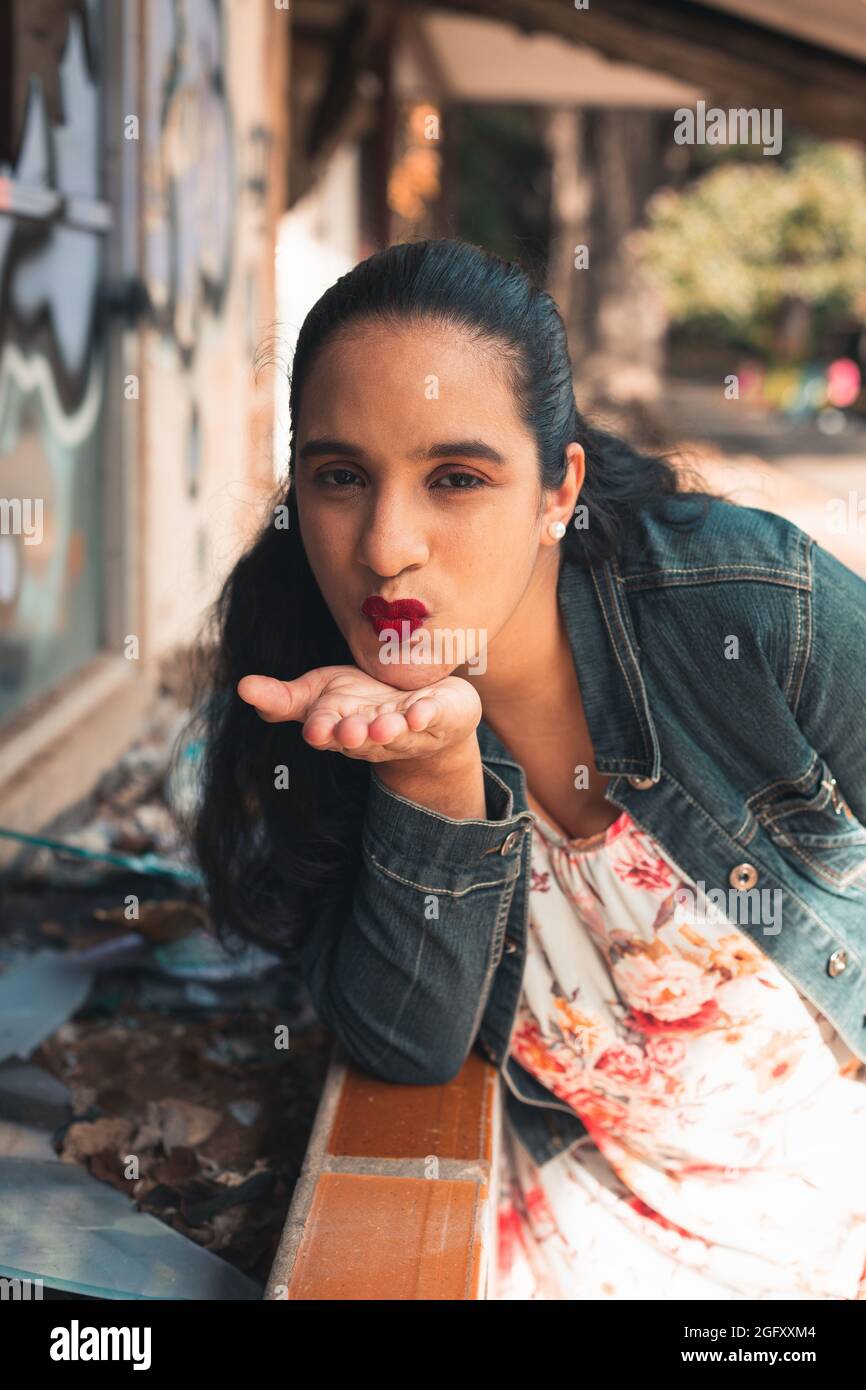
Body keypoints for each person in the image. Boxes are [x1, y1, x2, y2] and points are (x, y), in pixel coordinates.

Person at [192, 238, 866, 1300]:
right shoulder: (307, 688)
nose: (384, 546)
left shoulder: (748, 607)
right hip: (574, 1246)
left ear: (558, 490)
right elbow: (403, 1049)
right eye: (339, 477)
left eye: (454, 477)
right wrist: (429, 776)